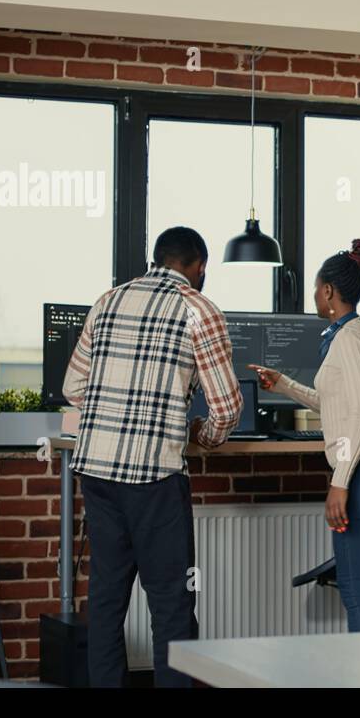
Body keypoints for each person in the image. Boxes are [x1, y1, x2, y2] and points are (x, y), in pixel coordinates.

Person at [63, 226, 242, 687]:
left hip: (97, 472)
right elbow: (226, 407)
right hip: (154, 477)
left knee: (105, 600)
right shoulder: (199, 309)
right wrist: (205, 434)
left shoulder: (108, 300)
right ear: (199, 267)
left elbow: (73, 388)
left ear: (156, 258)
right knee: (171, 605)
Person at [249, 239, 360, 632]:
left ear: (329, 291)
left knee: (355, 589)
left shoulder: (350, 340)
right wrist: (284, 384)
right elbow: (338, 404)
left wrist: (339, 482)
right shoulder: (359, 334)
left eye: (316, 289)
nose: (315, 296)